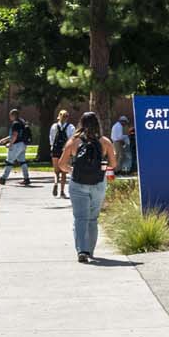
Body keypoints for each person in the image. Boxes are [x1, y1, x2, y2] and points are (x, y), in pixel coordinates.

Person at [59, 112, 118, 262]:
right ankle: (90, 251)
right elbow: (113, 164)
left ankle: (82, 251)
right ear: (97, 124)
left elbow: (61, 165)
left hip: (78, 183)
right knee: (92, 219)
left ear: (81, 123)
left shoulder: (73, 142)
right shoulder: (105, 142)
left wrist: (73, 170)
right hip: (98, 183)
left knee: (80, 218)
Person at [0, 108, 34, 186]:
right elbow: (14, 135)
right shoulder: (22, 122)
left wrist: (10, 144)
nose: (9, 117)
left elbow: (14, 135)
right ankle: (26, 179)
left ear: (13, 115)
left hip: (16, 145)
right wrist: (5, 139)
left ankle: (3, 178)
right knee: (22, 161)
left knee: (9, 161)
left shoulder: (15, 123)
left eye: (10, 115)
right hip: (23, 144)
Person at [47, 109, 74, 199]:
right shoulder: (71, 127)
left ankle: (55, 183)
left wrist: (52, 147)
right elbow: (71, 139)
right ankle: (62, 192)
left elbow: (51, 138)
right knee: (64, 172)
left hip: (55, 149)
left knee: (56, 171)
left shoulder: (54, 126)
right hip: (65, 150)